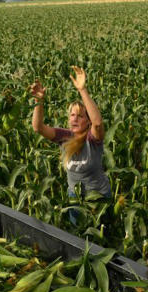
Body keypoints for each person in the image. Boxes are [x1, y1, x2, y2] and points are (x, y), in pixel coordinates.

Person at [30, 67, 111, 224]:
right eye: (72, 115)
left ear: (87, 121)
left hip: (99, 199)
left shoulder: (93, 139)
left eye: (80, 116)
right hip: (75, 200)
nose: (74, 119)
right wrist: (38, 101)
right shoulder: (64, 137)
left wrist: (82, 90)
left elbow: (98, 123)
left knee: (101, 237)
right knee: (78, 236)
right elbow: (38, 128)